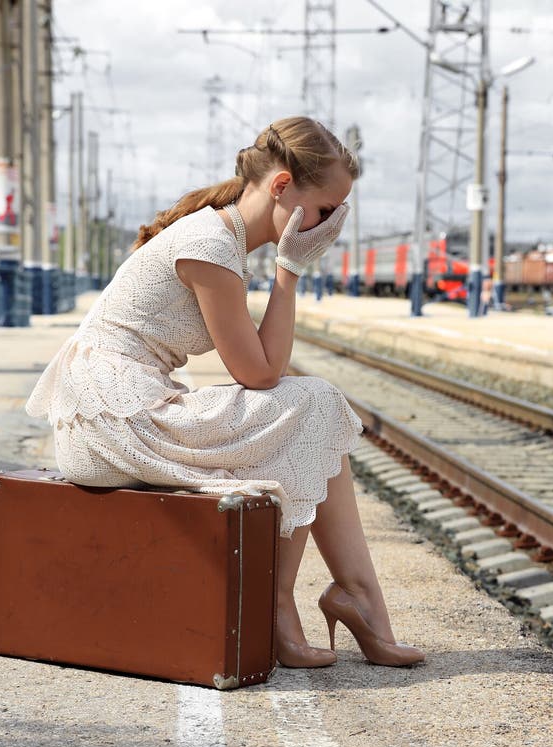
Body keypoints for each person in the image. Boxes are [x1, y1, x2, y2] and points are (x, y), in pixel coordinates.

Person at [26, 116, 424, 670]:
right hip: (112, 422)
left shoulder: (223, 238)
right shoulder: (211, 243)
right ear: (282, 187)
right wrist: (288, 270)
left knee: (315, 410)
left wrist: (287, 265)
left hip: (121, 413)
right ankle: (288, 606)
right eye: (328, 210)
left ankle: (353, 600)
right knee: (317, 403)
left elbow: (268, 370)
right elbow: (260, 374)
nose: (332, 227)